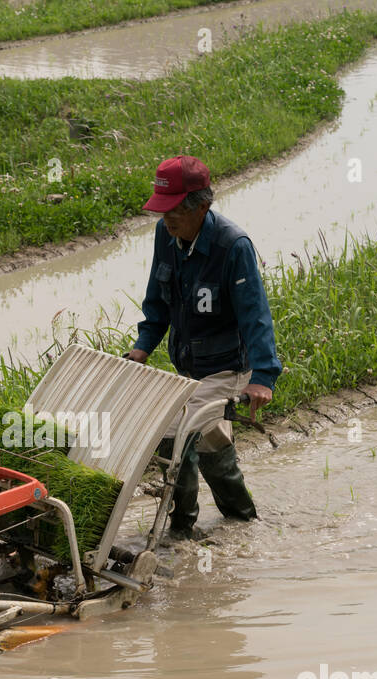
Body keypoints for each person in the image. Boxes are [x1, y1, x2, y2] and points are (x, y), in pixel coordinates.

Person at [126, 155, 282, 539]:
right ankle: (243, 518)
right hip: (189, 368)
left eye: (175, 212)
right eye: (162, 213)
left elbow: (255, 315)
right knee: (212, 444)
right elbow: (157, 302)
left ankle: (181, 528)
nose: (167, 221)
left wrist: (262, 376)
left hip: (228, 368)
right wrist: (143, 346)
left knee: (179, 434)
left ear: (203, 206)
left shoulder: (233, 247)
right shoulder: (168, 236)